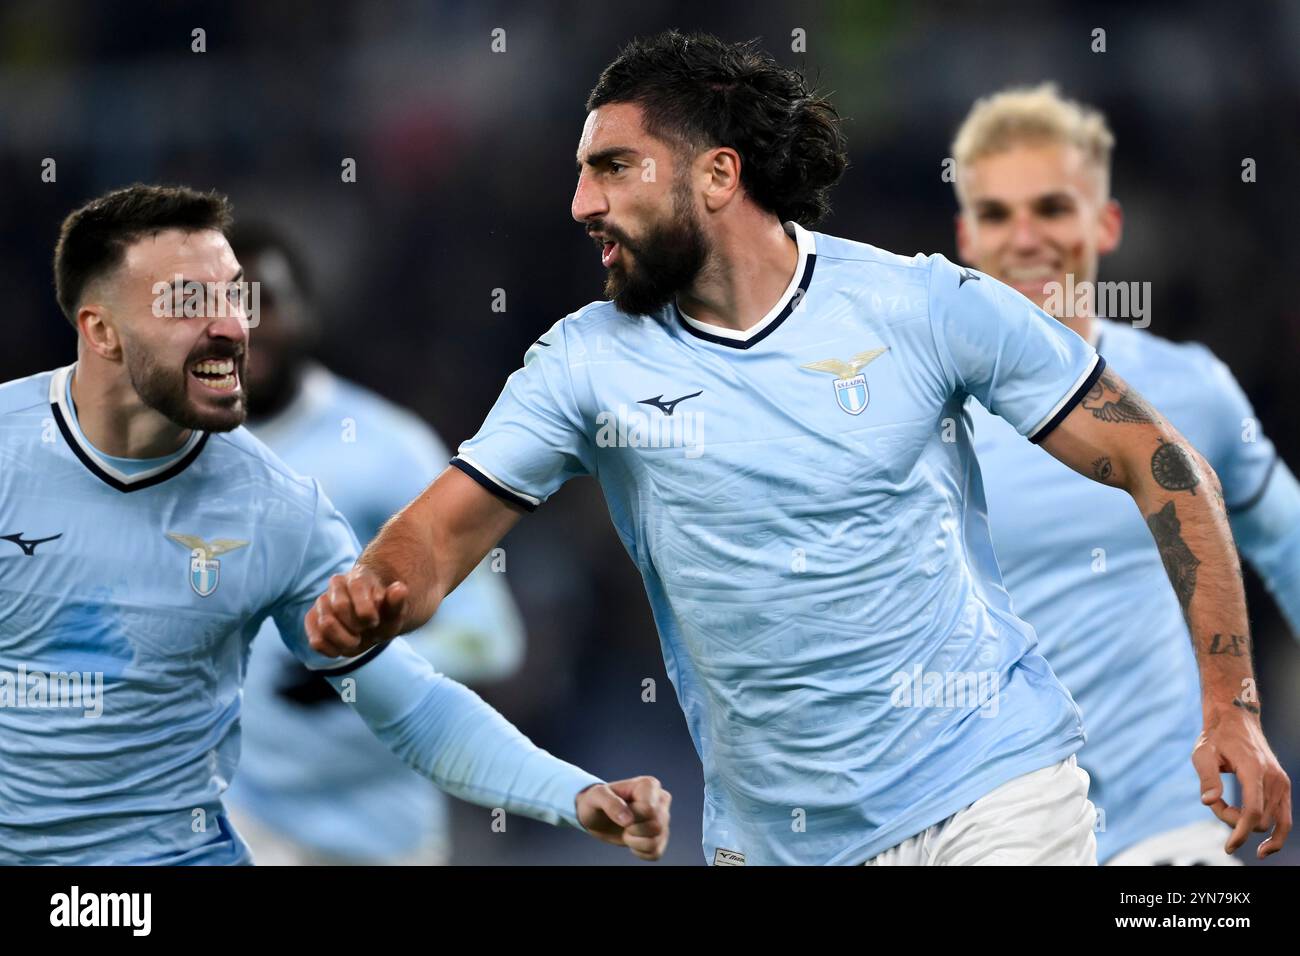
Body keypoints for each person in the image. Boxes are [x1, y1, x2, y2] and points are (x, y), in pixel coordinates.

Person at [306, 32, 1290, 866]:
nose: (580, 204)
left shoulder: (920, 305)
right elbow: (439, 538)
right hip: (776, 840)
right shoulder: (582, 365)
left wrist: (1229, 702)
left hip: (992, 798)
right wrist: (378, 588)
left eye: (611, 166)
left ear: (719, 173)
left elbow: (1158, 463)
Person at [0, 183, 670, 865]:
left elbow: (413, 709)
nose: (234, 325)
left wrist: (574, 792)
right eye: (188, 303)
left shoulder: (276, 504)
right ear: (101, 330)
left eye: (236, 295)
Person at [950, 83, 1300, 865]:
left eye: (1052, 207)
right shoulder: (919, 416)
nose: (1026, 236)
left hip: (1169, 821)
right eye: (998, 215)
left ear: (1105, 223)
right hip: (988, 828)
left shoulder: (1191, 389)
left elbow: (1290, 546)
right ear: (966, 238)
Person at [221, 221, 527, 865]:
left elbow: (491, 639)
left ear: (305, 314)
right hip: (239, 822)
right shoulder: (175, 456)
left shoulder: (387, 447)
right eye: (225, 303)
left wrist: (356, 662)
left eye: (264, 301)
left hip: (382, 834)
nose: (245, 325)